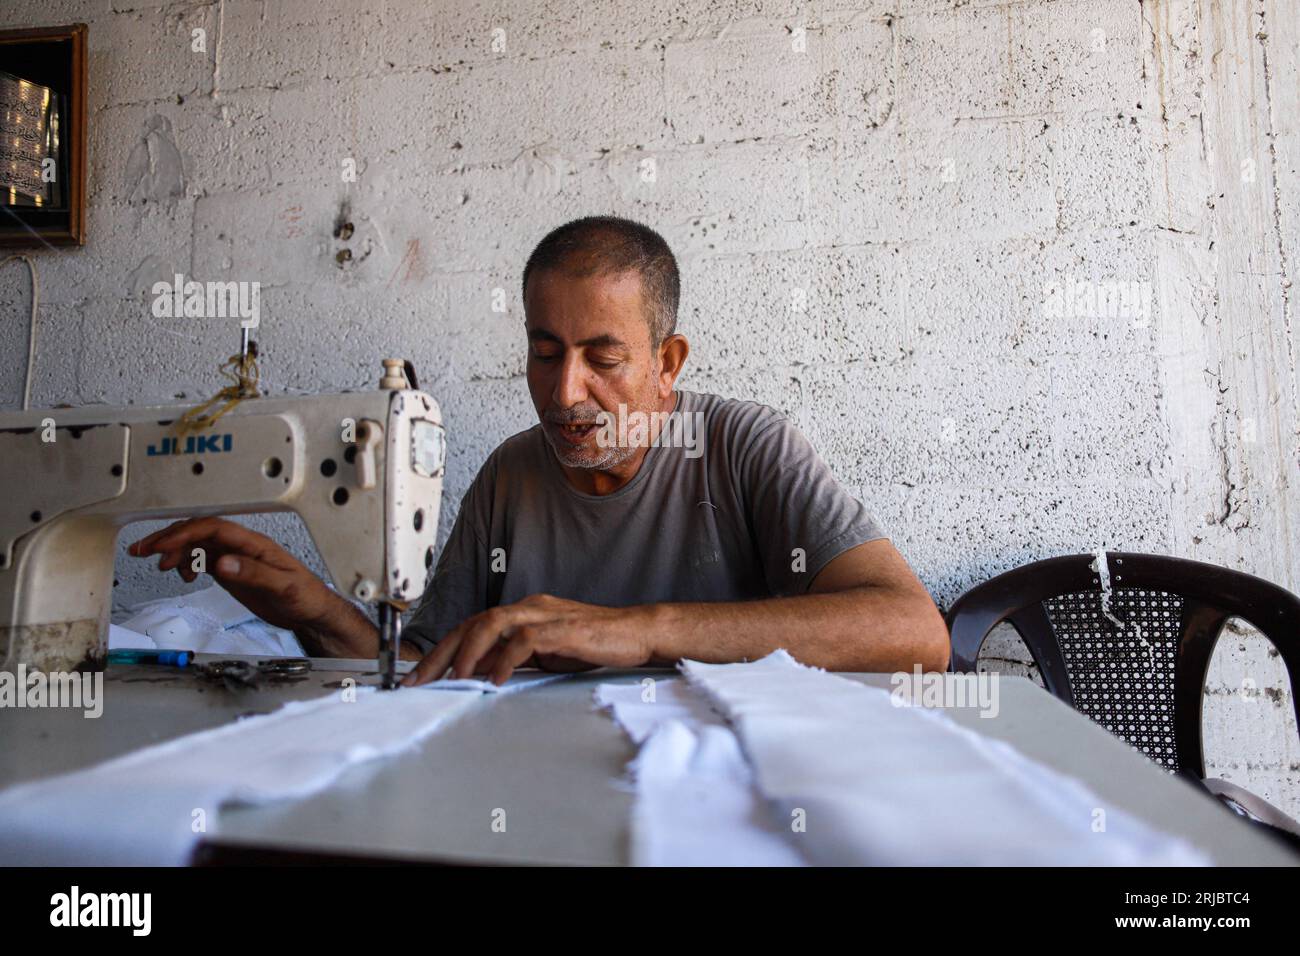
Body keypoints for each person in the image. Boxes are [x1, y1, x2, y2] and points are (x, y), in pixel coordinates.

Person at [130, 216, 949, 685]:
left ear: (667, 364)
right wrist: (313, 608)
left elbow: (915, 631)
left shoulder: (743, 448)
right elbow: (424, 667)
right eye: (545, 351)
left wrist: (641, 630)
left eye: (603, 357)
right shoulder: (513, 477)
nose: (564, 394)